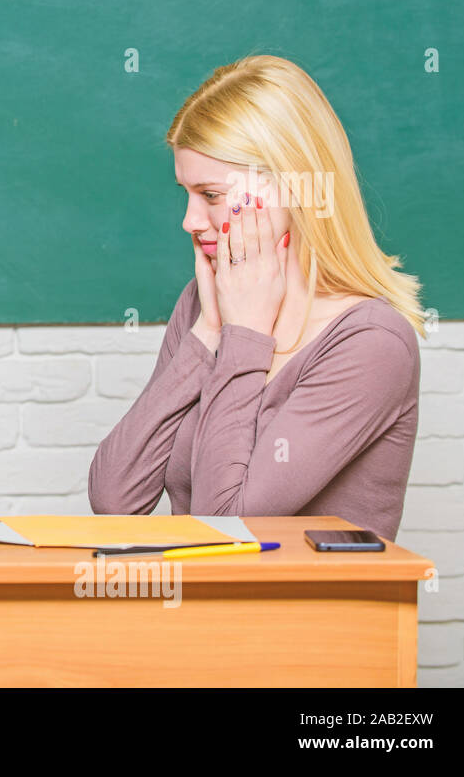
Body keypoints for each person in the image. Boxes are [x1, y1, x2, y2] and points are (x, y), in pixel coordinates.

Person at [88, 55, 423, 540]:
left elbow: (224, 525)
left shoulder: (371, 343)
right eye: (185, 192)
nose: (190, 220)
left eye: (211, 194)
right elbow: (116, 500)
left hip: (304, 616)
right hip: (201, 611)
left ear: (291, 185)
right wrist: (209, 332)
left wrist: (244, 336)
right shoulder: (206, 304)